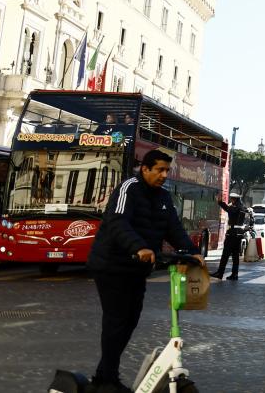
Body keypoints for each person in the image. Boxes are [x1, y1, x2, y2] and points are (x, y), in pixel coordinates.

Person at [86, 149, 203, 393]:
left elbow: (174, 228)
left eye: (167, 170)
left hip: (137, 269)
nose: (164, 175)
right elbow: (117, 222)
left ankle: (103, 375)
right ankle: (106, 381)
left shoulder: (163, 197)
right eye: (159, 169)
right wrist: (139, 246)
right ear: (145, 168)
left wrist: (191, 251)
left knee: (130, 321)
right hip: (112, 264)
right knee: (117, 320)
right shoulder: (128, 188)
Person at [212, 193, 247, 280]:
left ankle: (220, 273)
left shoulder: (236, 208)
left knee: (225, 254)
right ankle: (234, 274)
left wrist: (220, 202)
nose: (231, 201)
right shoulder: (242, 207)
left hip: (232, 233)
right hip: (238, 234)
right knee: (235, 255)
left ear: (234, 199)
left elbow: (228, 209)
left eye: (231, 199)